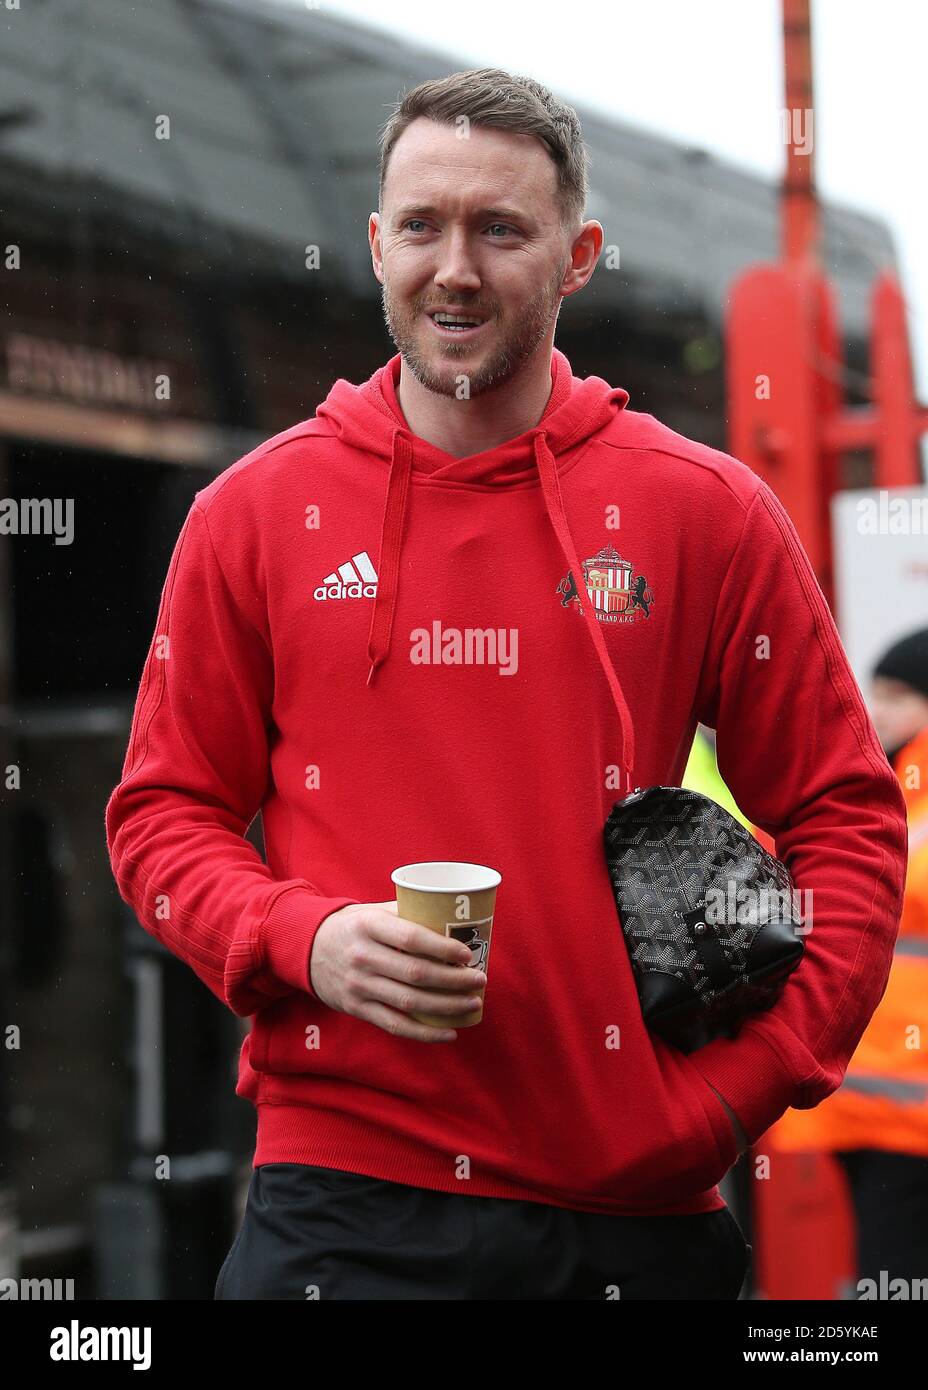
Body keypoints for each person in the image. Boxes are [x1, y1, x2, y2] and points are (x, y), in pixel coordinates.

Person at [104, 68, 908, 1301]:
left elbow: (848, 819)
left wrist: (739, 1091)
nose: (455, 268)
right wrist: (301, 937)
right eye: (422, 226)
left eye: (501, 228)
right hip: (344, 1201)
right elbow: (160, 818)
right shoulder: (252, 516)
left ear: (578, 253)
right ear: (376, 245)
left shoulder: (704, 512)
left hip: (636, 1209)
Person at [769, 628, 928, 1295]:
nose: (879, 710)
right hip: (872, 1099)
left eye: (897, 695)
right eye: (876, 693)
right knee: (891, 1272)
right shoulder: (884, 791)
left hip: (900, 1100)